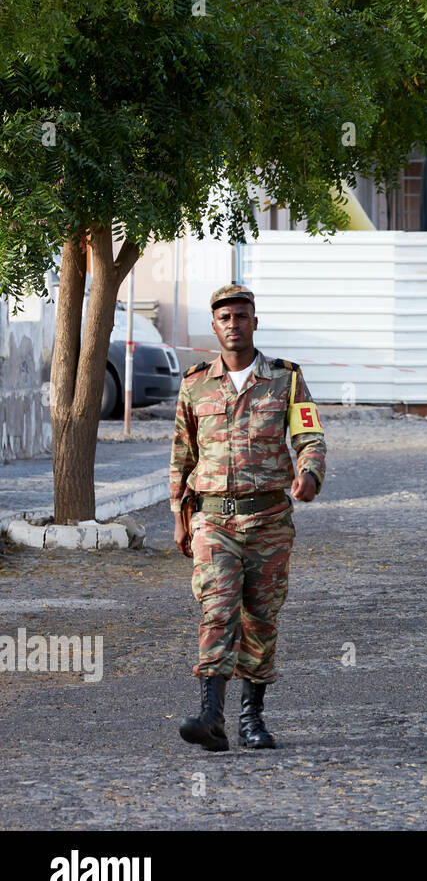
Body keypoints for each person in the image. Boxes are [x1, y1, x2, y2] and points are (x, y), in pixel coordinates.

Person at [170, 283, 326, 752]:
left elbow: (310, 437)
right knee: (217, 611)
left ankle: (251, 718)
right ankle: (209, 714)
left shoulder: (286, 378)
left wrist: (311, 474)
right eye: (224, 319)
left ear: (254, 322)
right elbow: (182, 457)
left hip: (270, 521)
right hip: (213, 520)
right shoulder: (195, 383)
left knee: (260, 618)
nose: (233, 325)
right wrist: (179, 518)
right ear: (214, 326)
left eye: (241, 317)